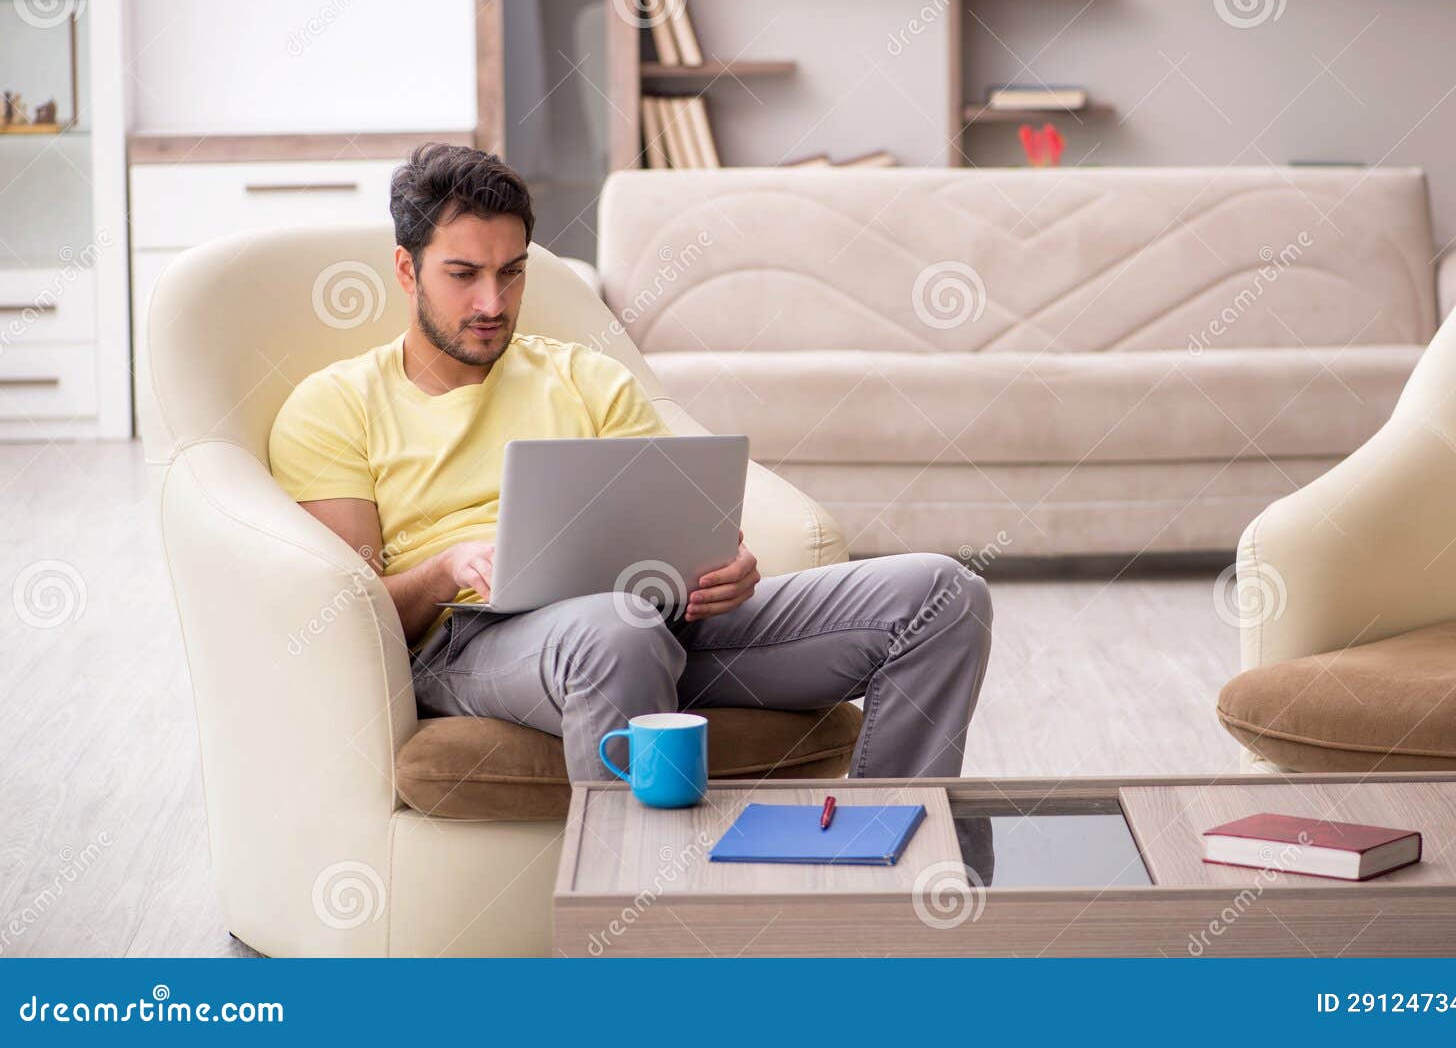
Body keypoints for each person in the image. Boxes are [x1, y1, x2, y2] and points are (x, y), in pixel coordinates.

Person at [268, 143, 992, 784]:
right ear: (406, 268)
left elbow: (678, 519)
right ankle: (638, 923)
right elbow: (348, 617)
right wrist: (449, 566)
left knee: (943, 595)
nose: (492, 302)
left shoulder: (587, 377)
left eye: (512, 273)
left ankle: (886, 863)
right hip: (476, 645)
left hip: (656, 624)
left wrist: (728, 565)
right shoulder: (335, 406)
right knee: (617, 631)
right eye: (463, 274)